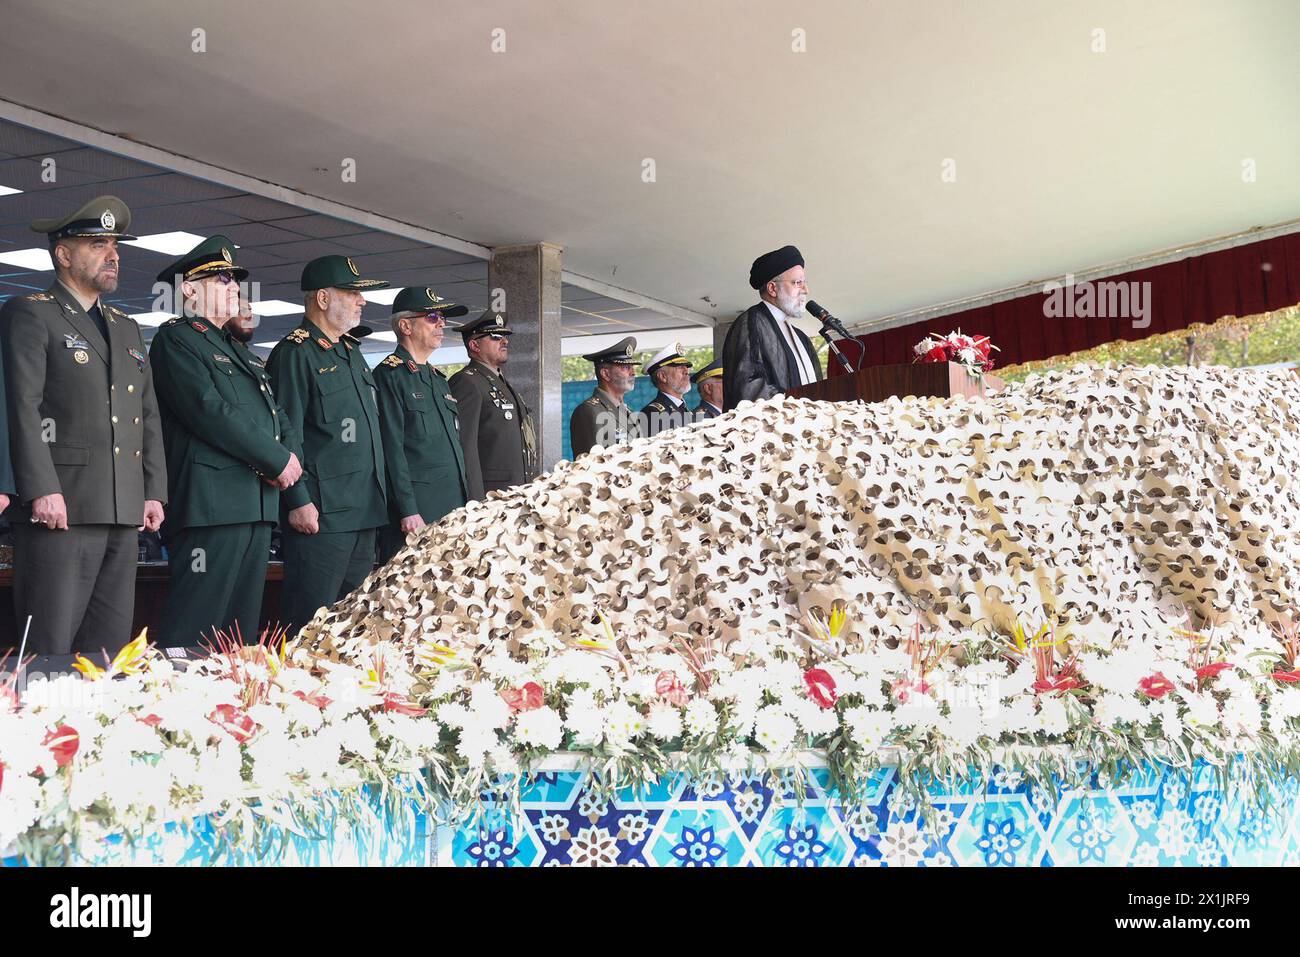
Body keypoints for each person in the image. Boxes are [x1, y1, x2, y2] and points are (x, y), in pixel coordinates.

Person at [0, 196, 167, 655]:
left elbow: (146, 414)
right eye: (97, 243)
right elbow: (22, 407)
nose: (113, 254)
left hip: (122, 508)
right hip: (62, 506)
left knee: (109, 652)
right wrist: (40, 488)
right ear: (64, 254)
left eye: (115, 244)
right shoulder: (32, 313)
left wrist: (152, 490)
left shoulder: (126, 326)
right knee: (49, 649)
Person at [147, 236, 303, 647]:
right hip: (210, 506)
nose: (235, 286)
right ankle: (175, 710)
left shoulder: (239, 350)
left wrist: (289, 457)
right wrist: (274, 458)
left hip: (254, 503)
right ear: (189, 290)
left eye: (235, 279)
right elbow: (208, 410)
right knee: (197, 628)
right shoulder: (177, 339)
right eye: (222, 279)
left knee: (238, 636)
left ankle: (231, 711)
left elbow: (276, 413)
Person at [267, 255, 388, 631]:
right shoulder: (294, 353)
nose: (361, 301)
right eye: (351, 293)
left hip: (364, 512)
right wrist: (298, 501)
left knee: (351, 625)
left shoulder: (351, 354)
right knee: (310, 623)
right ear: (322, 298)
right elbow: (288, 436)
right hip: (322, 516)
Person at [374, 287, 469, 563]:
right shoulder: (389, 375)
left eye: (442, 317)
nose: (441, 323)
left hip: (451, 508)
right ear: (405, 326)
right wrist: (407, 509)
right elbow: (391, 449)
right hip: (417, 514)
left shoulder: (438, 379)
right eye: (431, 317)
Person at [721, 245, 822, 411]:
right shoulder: (750, 323)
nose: (806, 290)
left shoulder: (801, 337)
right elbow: (750, 390)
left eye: (805, 283)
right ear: (773, 288)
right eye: (798, 283)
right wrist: (798, 409)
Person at [448, 311, 537, 499]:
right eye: (496, 337)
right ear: (474, 345)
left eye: (505, 336)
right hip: (492, 496)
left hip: (515, 492)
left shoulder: (500, 381)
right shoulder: (467, 381)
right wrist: (476, 501)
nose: (504, 341)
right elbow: (466, 446)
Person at [569, 336, 641, 457]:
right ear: (605, 374)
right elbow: (590, 464)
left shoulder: (628, 412)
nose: (633, 373)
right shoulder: (588, 411)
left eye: (632, 368)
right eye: (626, 367)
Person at [638, 343, 694, 437]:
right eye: (679, 367)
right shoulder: (653, 413)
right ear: (663, 377)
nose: (686, 371)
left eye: (686, 367)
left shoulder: (682, 408)